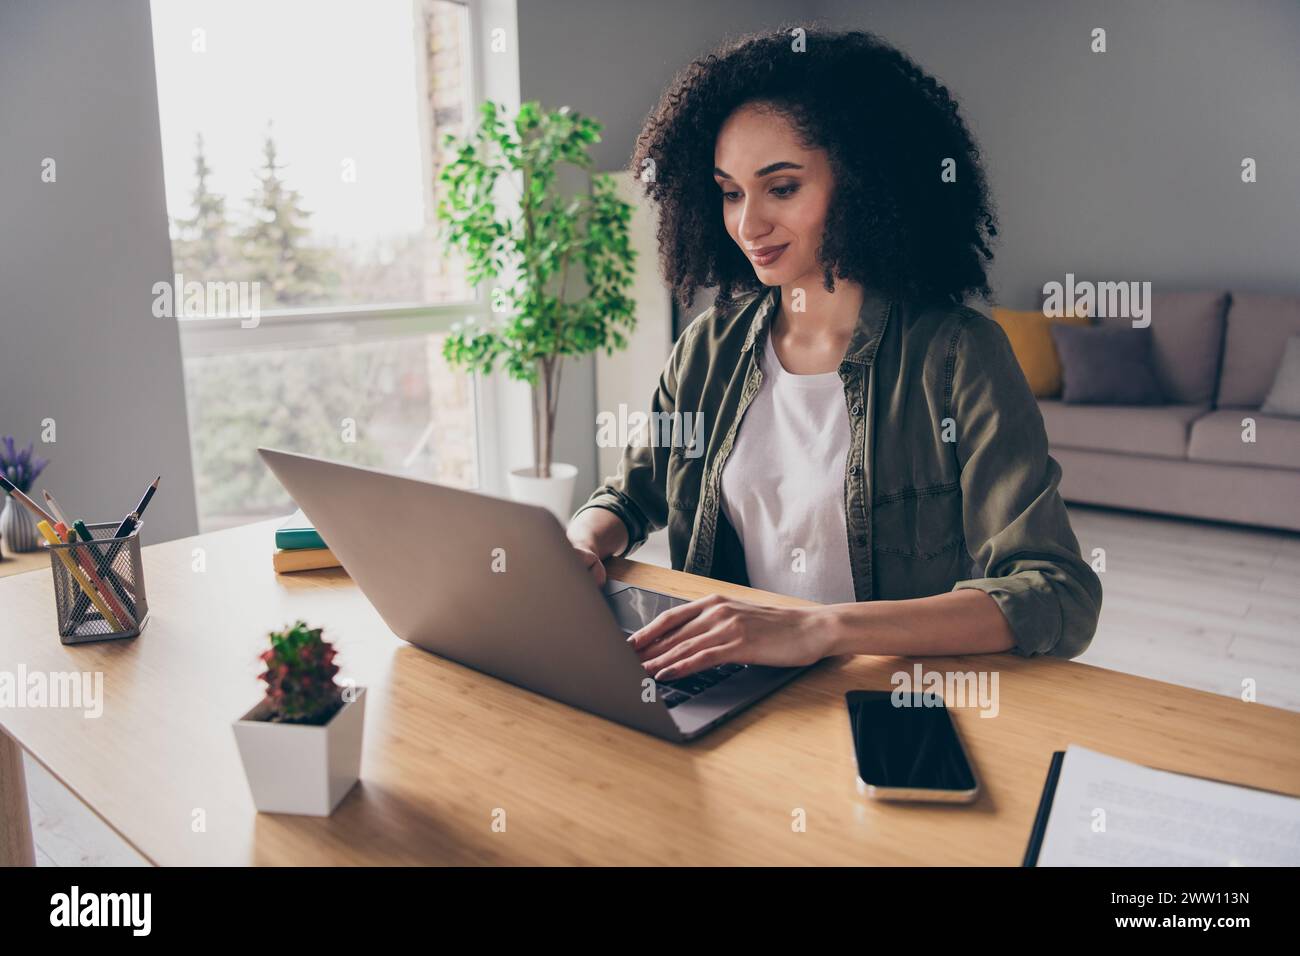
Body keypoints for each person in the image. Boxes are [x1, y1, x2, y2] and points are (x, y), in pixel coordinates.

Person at [565, 27, 1102, 682]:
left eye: (782, 188)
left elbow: (1056, 591)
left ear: (863, 184)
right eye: (731, 192)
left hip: (889, 696)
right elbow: (631, 494)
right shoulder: (709, 346)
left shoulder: (957, 354)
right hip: (735, 694)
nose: (747, 225)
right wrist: (581, 540)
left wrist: (820, 629)